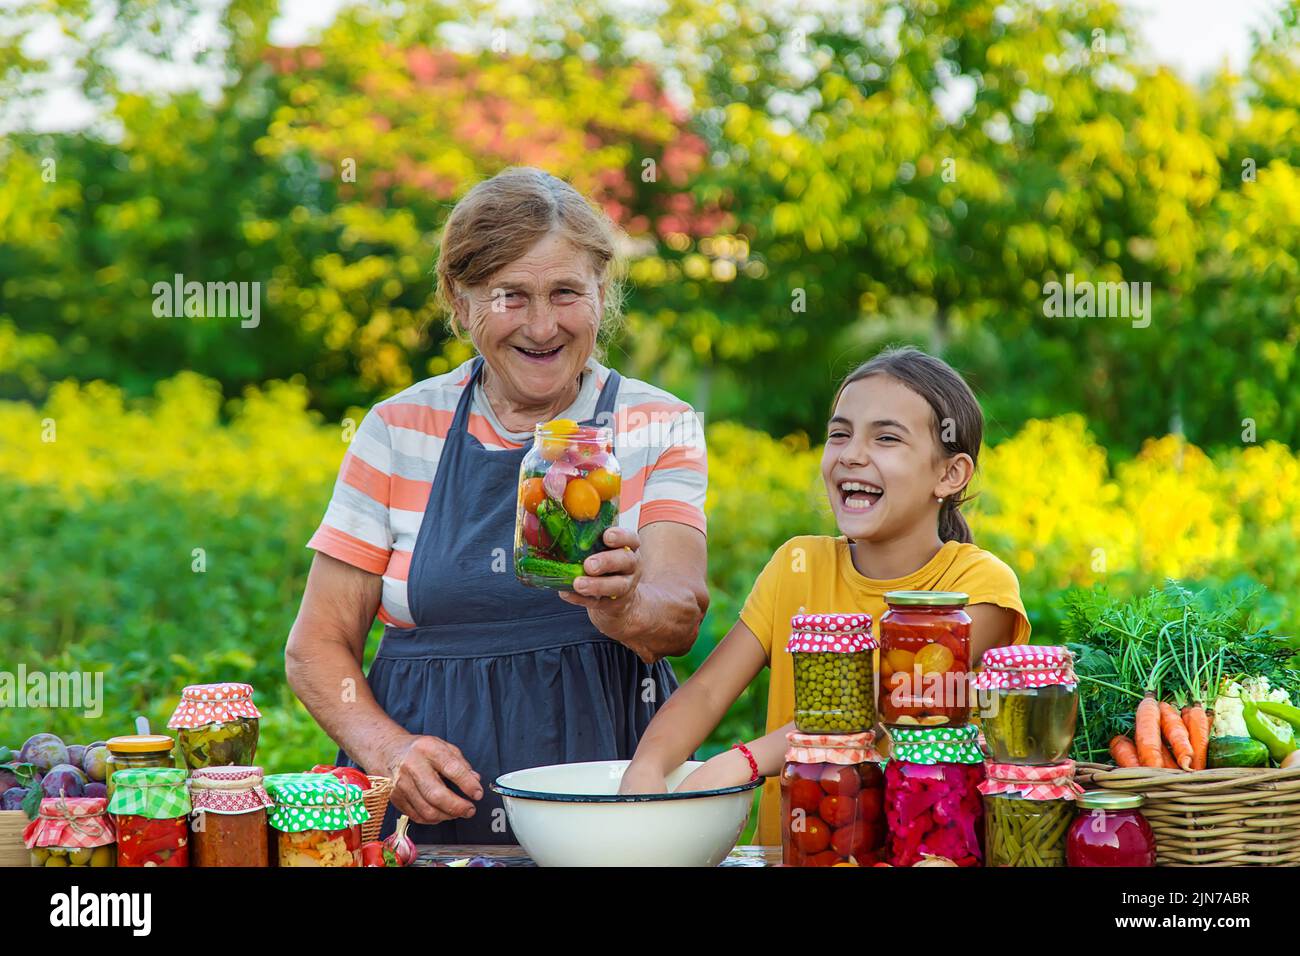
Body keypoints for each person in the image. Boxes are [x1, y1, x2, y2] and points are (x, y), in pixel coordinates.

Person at [285, 167, 709, 844]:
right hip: (425, 821)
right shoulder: (398, 429)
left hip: (602, 811)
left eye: (566, 293)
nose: (543, 326)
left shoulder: (658, 423)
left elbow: (679, 616)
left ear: (601, 292)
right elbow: (317, 644)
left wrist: (626, 604)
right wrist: (388, 750)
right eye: (511, 296)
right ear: (460, 300)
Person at [620, 345, 1030, 845]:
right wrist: (648, 768)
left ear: (950, 474)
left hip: (919, 853)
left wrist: (743, 760)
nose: (852, 453)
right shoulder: (798, 565)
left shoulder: (976, 586)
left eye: (886, 438)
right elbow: (706, 692)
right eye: (840, 434)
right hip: (796, 851)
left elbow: (881, 713)